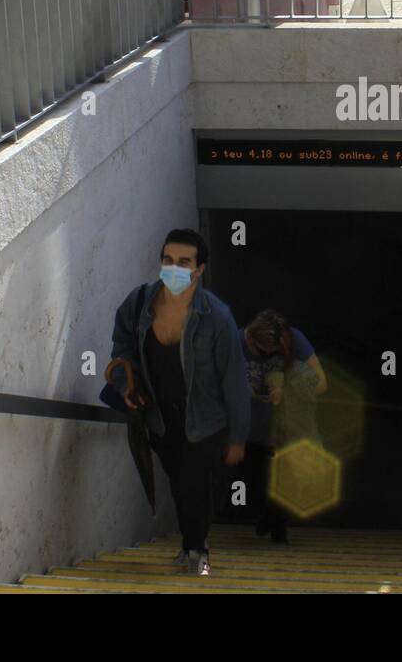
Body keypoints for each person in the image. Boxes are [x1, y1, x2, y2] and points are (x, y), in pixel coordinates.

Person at [105, 228, 250, 576]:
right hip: (159, 418)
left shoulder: (217, 317)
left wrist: (238, 437)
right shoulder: (138, 304)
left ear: (199, 269)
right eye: (168, 260)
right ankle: (190, 544)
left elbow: (234, 380)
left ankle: (197, 549)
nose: (174, 267)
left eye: (184, 262)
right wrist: (127, 384)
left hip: (205, 420)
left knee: (195, 483)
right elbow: (122, 349)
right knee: (178, 482)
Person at [240, 310, 326, 543]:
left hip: (285, 426)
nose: (270, 357)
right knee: (254, 478)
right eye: (264, 352)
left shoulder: (293, 339)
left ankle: (277, 523)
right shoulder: (235, 342)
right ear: (251, 340)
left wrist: (286, 389)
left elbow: (320, 382)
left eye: (275, 352)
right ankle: (270, 518)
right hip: (250, 428)